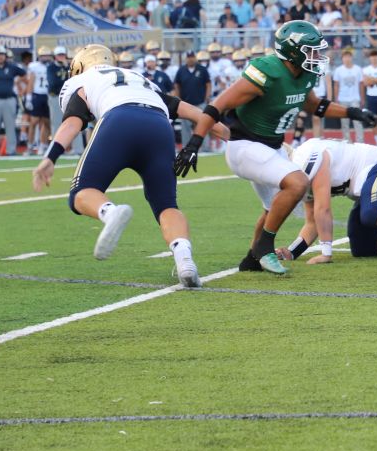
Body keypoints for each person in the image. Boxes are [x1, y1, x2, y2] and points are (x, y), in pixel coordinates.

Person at [173, 21, 377, 276]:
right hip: (244, 145)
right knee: (298, 183)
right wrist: (194, 143)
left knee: (274, 207)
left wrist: (354, 112)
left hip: (272, 147)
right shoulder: (267, 71)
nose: (317, 57)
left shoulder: (304, 74)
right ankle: (264, 248)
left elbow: (314, 105)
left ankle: (251, 259)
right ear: (293, 52)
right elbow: (217, 105)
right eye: (311, 51)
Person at [32, 45, 228, 287]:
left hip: (119, 121)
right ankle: (184, 259)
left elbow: (73, 121)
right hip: (159, 126)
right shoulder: (140, 79)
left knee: (82, 193)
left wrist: (50, 157)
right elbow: (196, 113)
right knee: (166, 204)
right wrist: (233, 137)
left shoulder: (82, 80)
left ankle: (110, 212)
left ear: (80, 66)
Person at [273, 138, 377, 263]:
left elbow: (323, 209)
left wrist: (326, 253)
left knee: (371, 213)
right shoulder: (299, 176)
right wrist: (292, 252)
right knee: (362, 249)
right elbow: (313, 223)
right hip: (364, 186)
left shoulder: (304, 162)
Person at [0, 46, 25, 156]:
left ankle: (11, 150)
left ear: (5, 56)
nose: (0, 57)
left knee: (10, 126)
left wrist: (21, 88)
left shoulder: (11, 67)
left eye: (2, 54)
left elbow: (24, 74)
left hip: (9, 100)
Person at [173, 50, 211, 144]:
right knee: (185, 127)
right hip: (186, 103)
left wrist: (207, 97)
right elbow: (177, 84)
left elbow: (208, 84)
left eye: (192, 57)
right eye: (189, 57)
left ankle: (205, 148)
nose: (190, 59)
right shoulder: (181, 70)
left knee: (203, 124)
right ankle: (186, 147)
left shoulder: (202, 69)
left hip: (200, 102)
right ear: (186, 59)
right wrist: (178, 97)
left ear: (195, 58)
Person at [331, 48, 365, 144]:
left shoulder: (357, 69)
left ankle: (360, 141)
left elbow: (361, 85)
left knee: (357, 121)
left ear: (351, 57)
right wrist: (336, 99)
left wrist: (362, 98)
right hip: (343, 99)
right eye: (345, 56)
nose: (347, 58)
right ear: (342, 58)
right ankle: (347, 141)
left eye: (348, 56)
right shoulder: (339, 70)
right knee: (344, 123)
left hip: (355, 98)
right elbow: (336, 85)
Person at [25, 46, 53, 154]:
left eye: (47, 55)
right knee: (34, 121)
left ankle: (43, 144)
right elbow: (31, 82)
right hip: (37, 95)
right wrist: (28, 98)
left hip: (48, 95)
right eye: (43, 56)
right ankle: (30, 146)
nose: (45, 58)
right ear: (39, 56)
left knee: (46, 122)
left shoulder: (52, 66)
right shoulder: (34, 66)